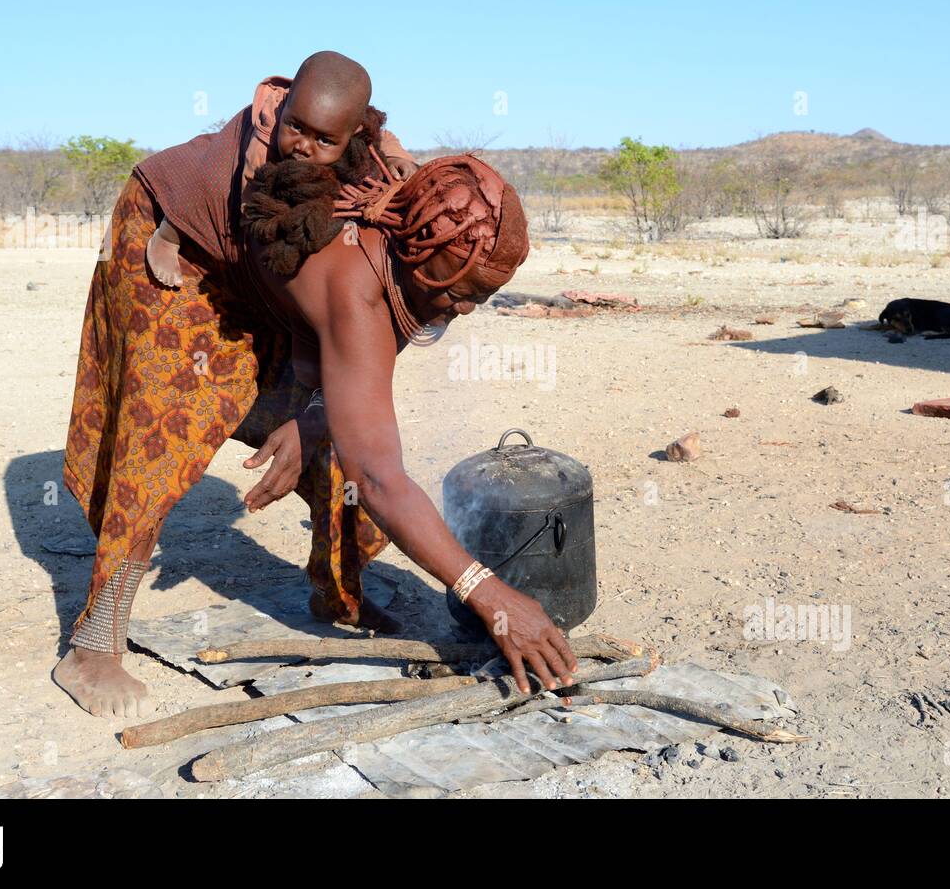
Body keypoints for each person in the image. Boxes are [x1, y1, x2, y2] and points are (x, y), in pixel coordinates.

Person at [53, 62, 576, 718]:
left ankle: (339, 592)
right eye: (460, 295)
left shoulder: (414, 203)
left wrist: (315, 415)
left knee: (337, 429)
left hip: (265, 266)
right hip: (178, 246)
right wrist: (490, 594)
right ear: (417, 260)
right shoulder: (355, 289)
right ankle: (91, 646)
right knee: (167, 428)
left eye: (479, 297)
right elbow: (382, 477)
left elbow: (364, 379)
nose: (465, 311)